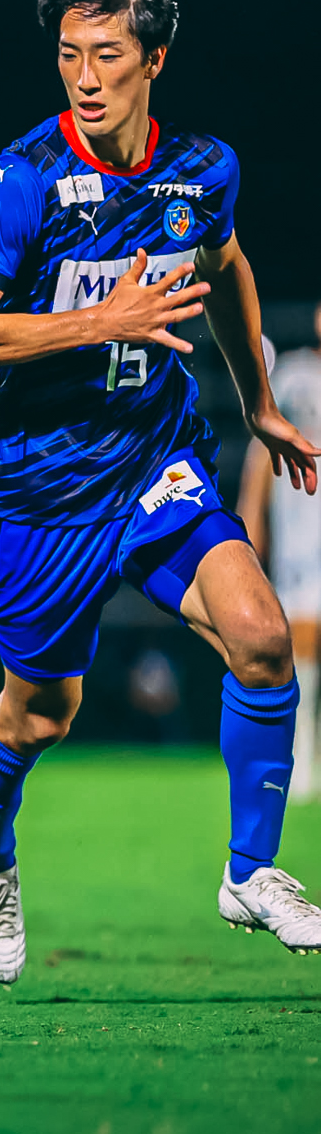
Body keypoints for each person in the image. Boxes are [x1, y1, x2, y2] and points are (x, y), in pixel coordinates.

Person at [0, 0, 321, 983]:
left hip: (153, 459)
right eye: (68, 56)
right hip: (42, 491)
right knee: (39, 713)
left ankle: (248, 870)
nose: (85, 77)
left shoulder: (201, 171)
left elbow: (222, 262)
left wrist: (262, 406)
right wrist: (96, 320)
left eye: (105, 54)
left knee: (260, 634)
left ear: (153, 59)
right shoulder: (19, 182)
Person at [240, 307, 321, 802]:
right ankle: (302, 759)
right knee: (303, 641)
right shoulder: (293, 375)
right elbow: (259, 450)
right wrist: (250, 520)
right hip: (303, 522)